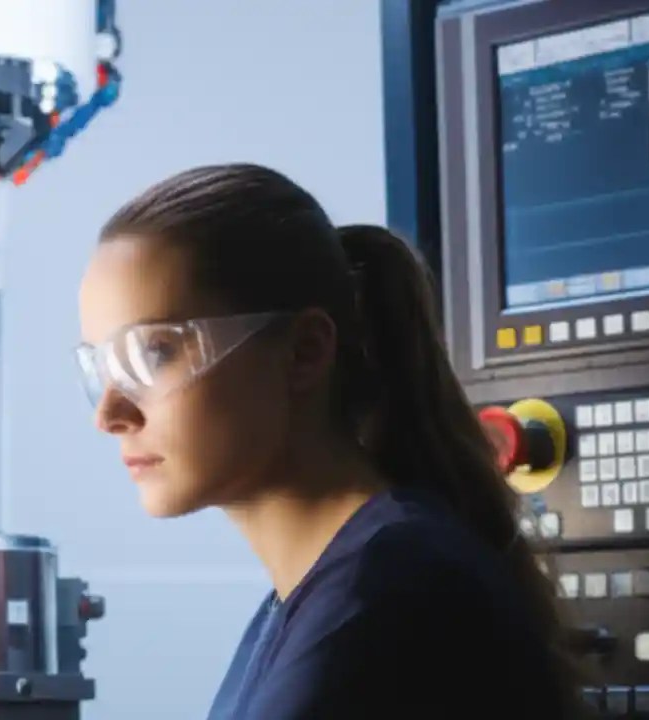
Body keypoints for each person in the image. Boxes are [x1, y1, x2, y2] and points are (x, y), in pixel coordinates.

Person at [75, 163, 582, 719]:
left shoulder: (385, 597)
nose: (111, 413)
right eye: (101, 368)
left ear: (305, 352)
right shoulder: (329, 593)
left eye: (154, 354)